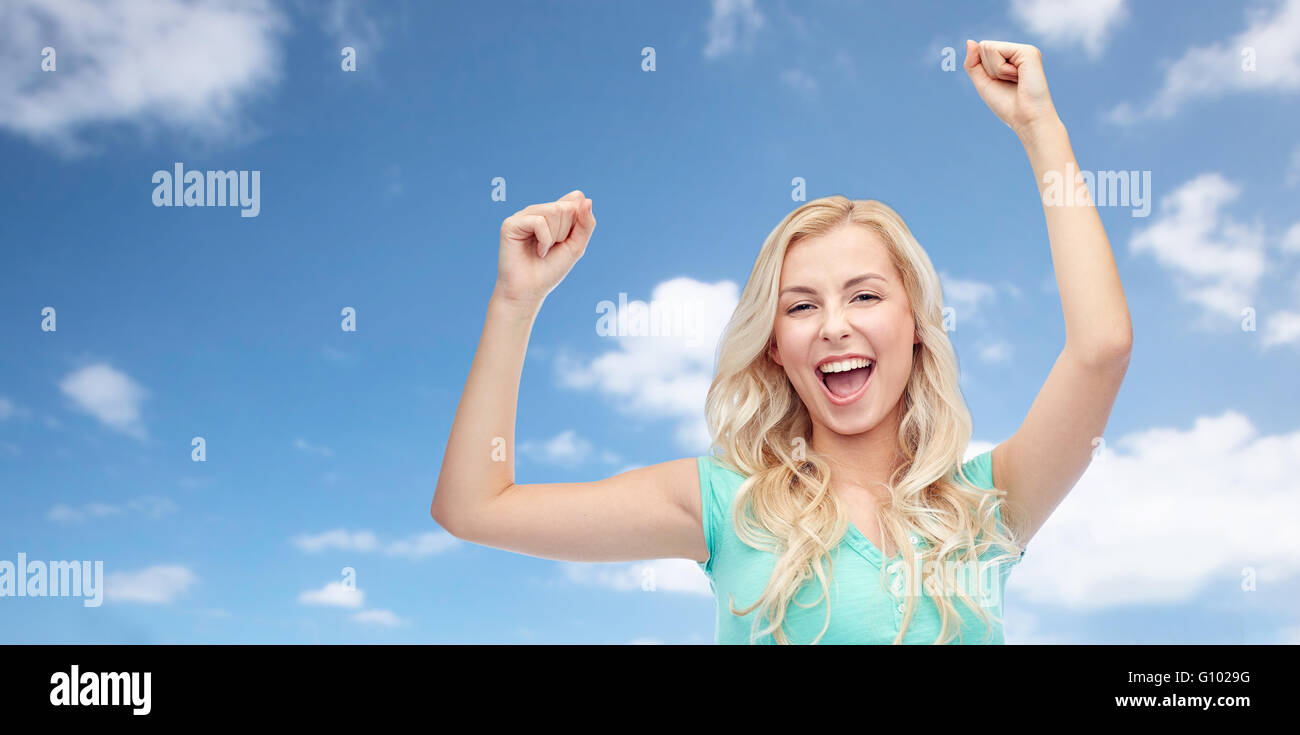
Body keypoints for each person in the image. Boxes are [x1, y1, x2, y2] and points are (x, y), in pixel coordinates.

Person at [432, 40, 1132, 644]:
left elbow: (1101, 346)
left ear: (915, 323)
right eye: (801, 306)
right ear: (773, 344)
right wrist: (515, 301)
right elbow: (473, 507)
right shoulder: (724, 504)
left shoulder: (988, 505)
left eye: (864, 295)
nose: (834, 325)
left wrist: (1040, 125)